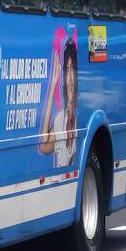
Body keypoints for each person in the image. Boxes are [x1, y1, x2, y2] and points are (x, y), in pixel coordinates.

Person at [40, 33, 79, 167]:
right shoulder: (60, 118)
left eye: (73, 69)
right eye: (67, 70)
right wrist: (52, 87)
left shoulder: (80, 118)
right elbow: (44, 147)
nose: (70, 78)